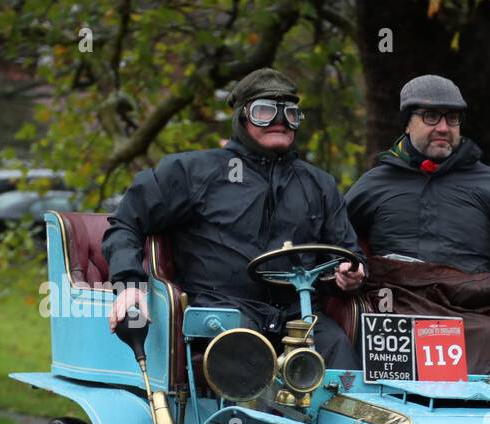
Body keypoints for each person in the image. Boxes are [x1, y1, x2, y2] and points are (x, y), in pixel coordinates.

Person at [103, 68, 365, 368]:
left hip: (298, 316)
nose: (279, 121)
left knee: (340, 354)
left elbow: (347, 253)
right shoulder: (192, 172)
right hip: (221, 312)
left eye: (290, 113)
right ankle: (251, 416)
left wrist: (350, 273)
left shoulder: (320, 184)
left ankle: (343, 416)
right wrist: (129, 286)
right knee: (248, 355)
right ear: (242, 117)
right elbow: (125, 223)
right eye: (264, 111)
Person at [345, 75, 490, 375]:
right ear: (407, 123)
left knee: (489, 334)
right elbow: (334, 243)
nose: (443, 127)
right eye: (430, 116)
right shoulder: (373, 184)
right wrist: (347, 268)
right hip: (392, 313)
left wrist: (487, 287)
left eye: (452, 118)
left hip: (473, 312)